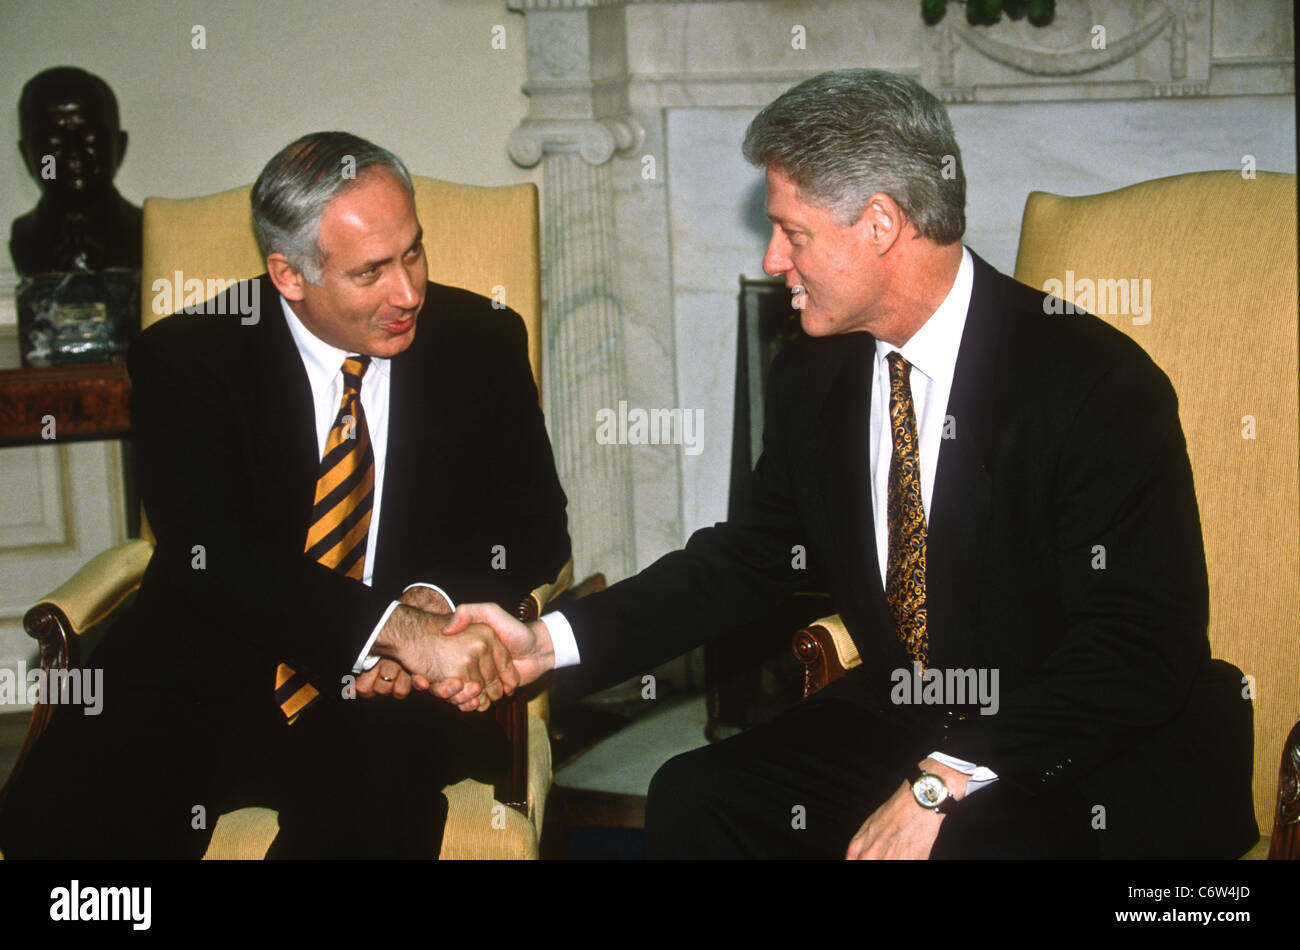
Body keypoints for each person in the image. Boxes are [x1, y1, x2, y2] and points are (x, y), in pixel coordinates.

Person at [439, 70, 1258, 859]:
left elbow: (1138, 643)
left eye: (791, 232)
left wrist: (945, 782)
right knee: (698, 797)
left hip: (1081, 743)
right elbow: (745, 562)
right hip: (916, 715)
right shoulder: (815, 372)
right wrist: (548, 642)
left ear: (880, 224)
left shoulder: (1094, 383)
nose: (770, 261)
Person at [0, 132, 570, 859]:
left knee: (370, 806)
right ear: (289, 275)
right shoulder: (189, 357)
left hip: (393, 698)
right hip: (213, 661)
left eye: (414, 253)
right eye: (371, 273)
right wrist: (393, 626)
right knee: (65, 822)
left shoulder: (479, 340)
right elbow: (218, 558)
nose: (409, 293)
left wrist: (432, 605)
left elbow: (536, 527)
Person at [11, 66, 142, 276]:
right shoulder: (25, 236)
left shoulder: (149, 231)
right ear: (27, 155)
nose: (74, 151)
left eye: (89, 135)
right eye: (53, 140)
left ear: (120, 145)